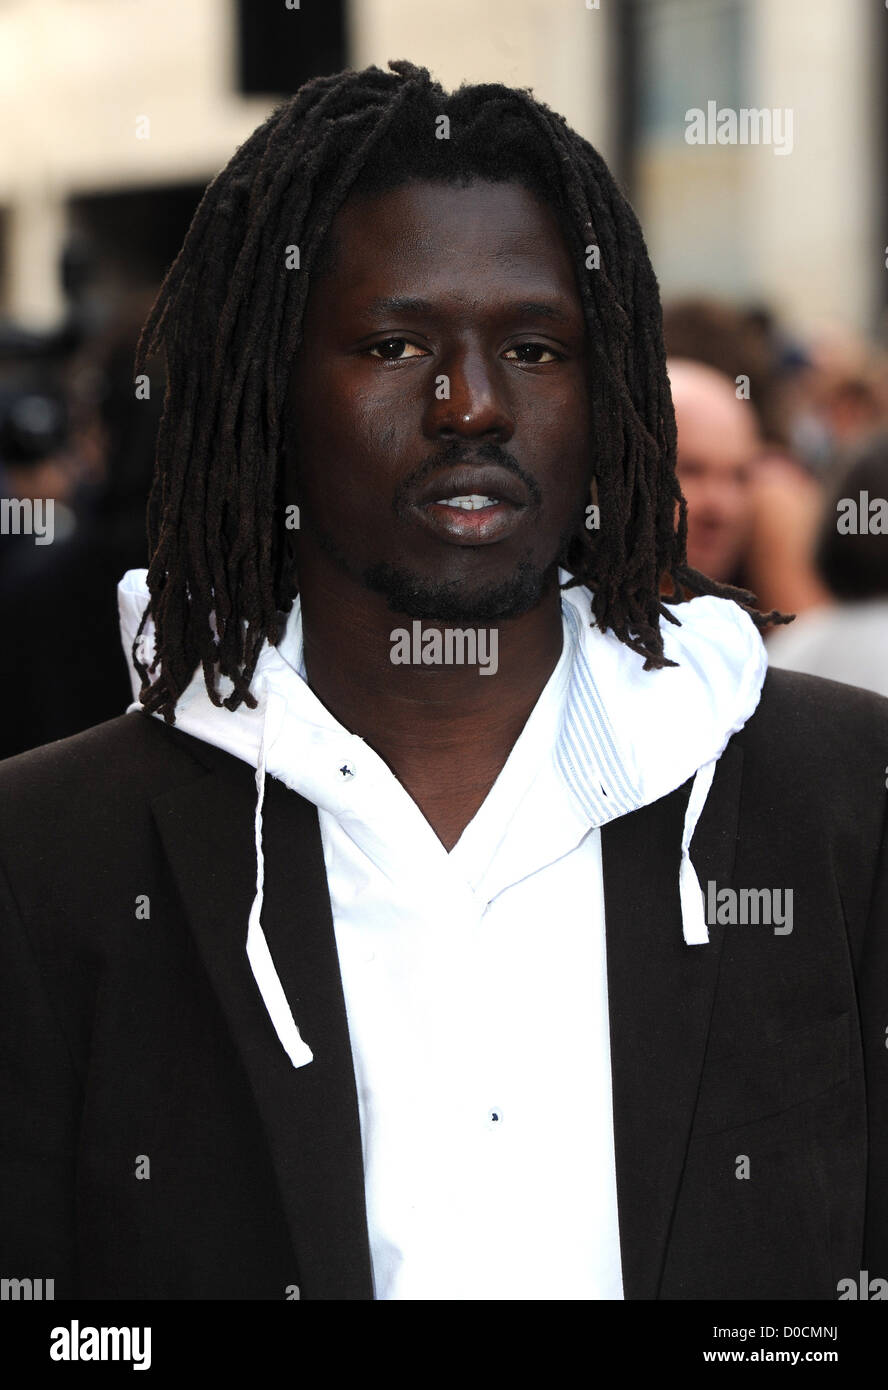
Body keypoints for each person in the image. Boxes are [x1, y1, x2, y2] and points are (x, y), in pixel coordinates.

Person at [1, 60, 886, 1302]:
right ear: (274, 391)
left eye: (532, 345)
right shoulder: (52, 858)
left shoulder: (842, 801)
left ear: (609, 388)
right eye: (394, 342)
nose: (470, 404)